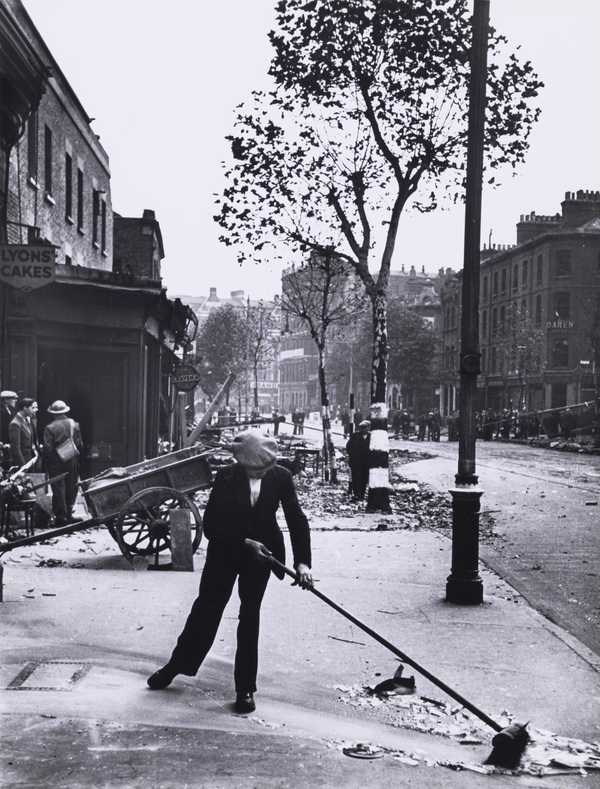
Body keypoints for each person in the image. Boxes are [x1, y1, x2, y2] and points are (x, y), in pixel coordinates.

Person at [147, 432, 313, 714]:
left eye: (264, 468)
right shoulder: (226, 477)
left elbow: (296, 518)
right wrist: (244, 543)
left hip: (262, 558)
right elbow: (211, 525)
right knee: (206, 611)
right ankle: (176, 666)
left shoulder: (281, 477)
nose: (260, 472)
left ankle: (245, 688)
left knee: (250, 617)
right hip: (225, 551)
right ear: (241, 461)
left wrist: (303, 563)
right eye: (254, 468)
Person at [43, 400, 83, 527]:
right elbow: (79, 444)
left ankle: (60, 517)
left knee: (58, 488)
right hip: (72, 459)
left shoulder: (50, 428)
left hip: (56, 462)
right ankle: (70, 514)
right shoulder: (74, 424)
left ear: (53, 413)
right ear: (65, 411)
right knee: (72, 485)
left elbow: (48, 449)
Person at [8, 397, 37, 468]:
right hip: (23, 463)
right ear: (25, 408)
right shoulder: (15, 424)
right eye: (33, 408)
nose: (36, 410)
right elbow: (16, 449)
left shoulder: (27, 420)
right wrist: (23, 466)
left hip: (30, 461)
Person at [346, 419, 370, 501]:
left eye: (365, 428)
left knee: (364, 479)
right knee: (356, 478)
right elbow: (348, 447)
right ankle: (356, 494)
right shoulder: (355, 436)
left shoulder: (371, 437)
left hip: (366, 463)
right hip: (356, 462)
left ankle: (361, 494)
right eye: (362, 428)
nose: (363, 429)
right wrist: (352, 456)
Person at [1, 390, 18, 470]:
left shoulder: (11, 411)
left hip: (9, 444)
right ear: (5, 400)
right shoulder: (1, 411)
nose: (15, 401)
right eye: (13, 399)